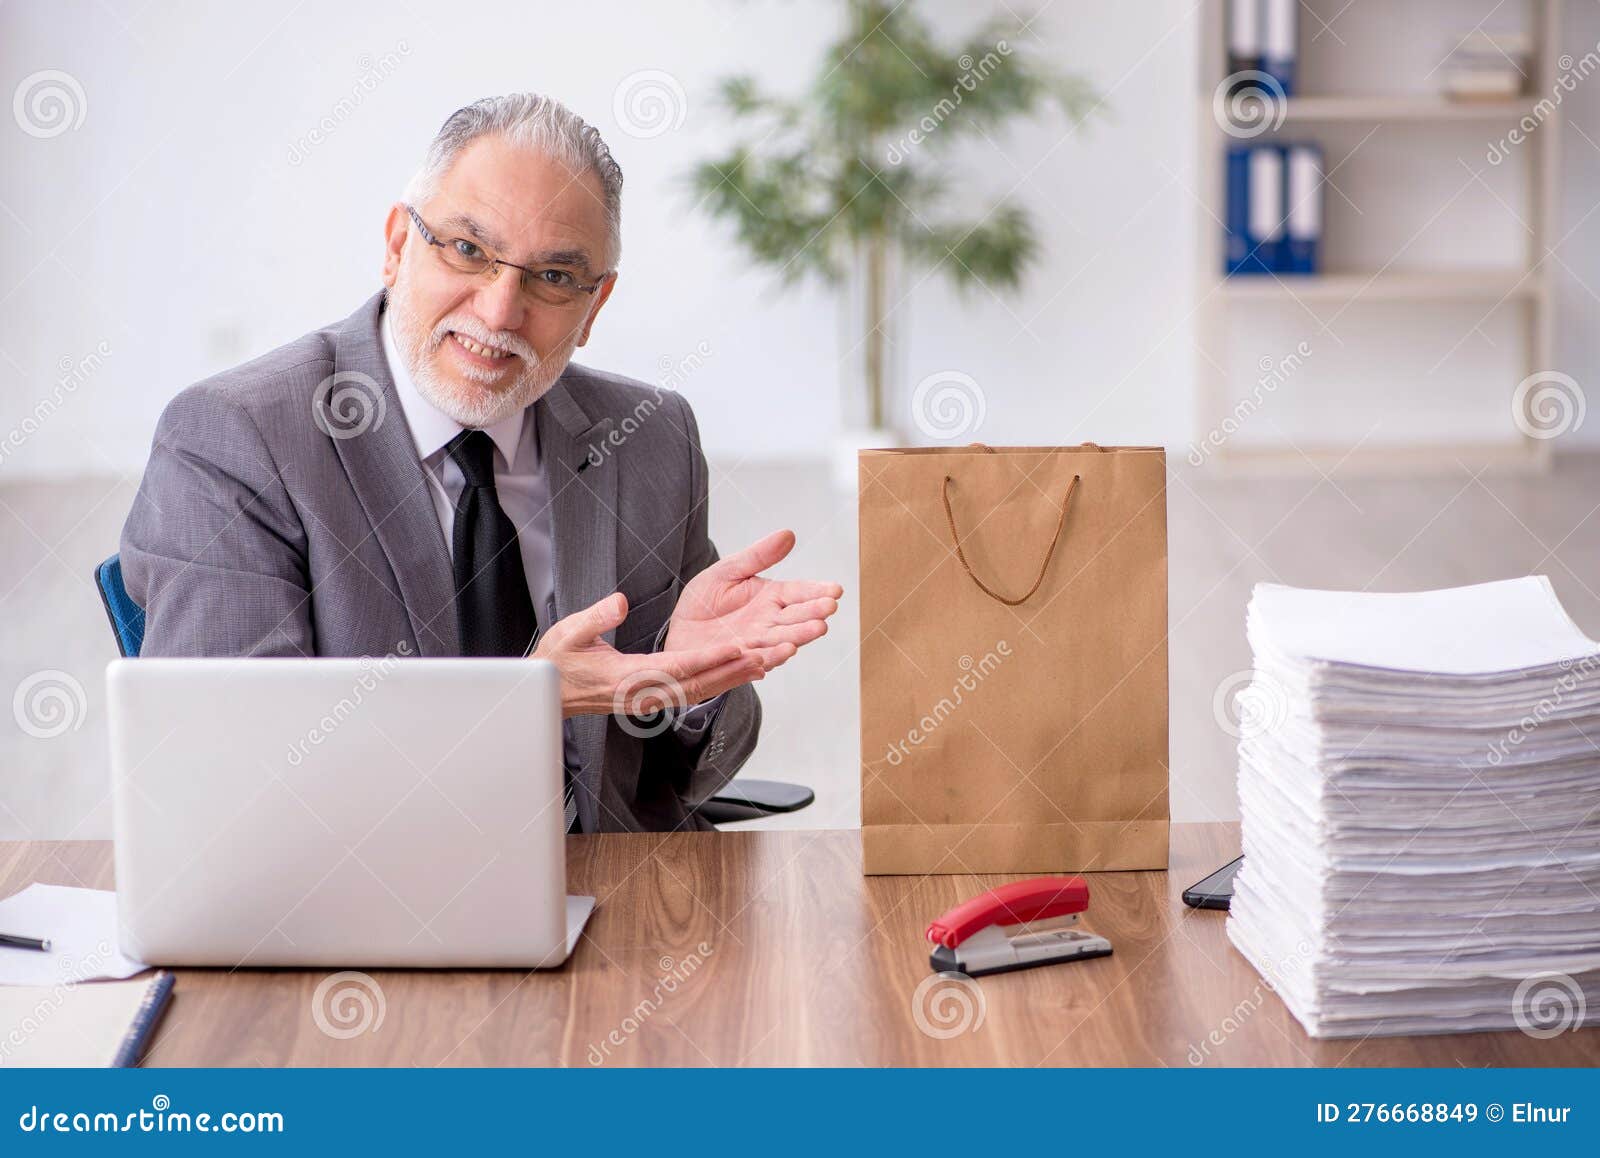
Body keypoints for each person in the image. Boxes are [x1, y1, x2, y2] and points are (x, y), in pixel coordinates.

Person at [120, 94, 842, 833]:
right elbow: (237, 769)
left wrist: (689, 687)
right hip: (364, 906)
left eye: (554, 278)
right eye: (467, 249)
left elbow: (680, 779)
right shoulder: (237, 438)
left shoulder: (651, 437)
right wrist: (528, 699)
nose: (500, 312)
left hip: (613, 897)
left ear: (595, 307)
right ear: (398, 244)